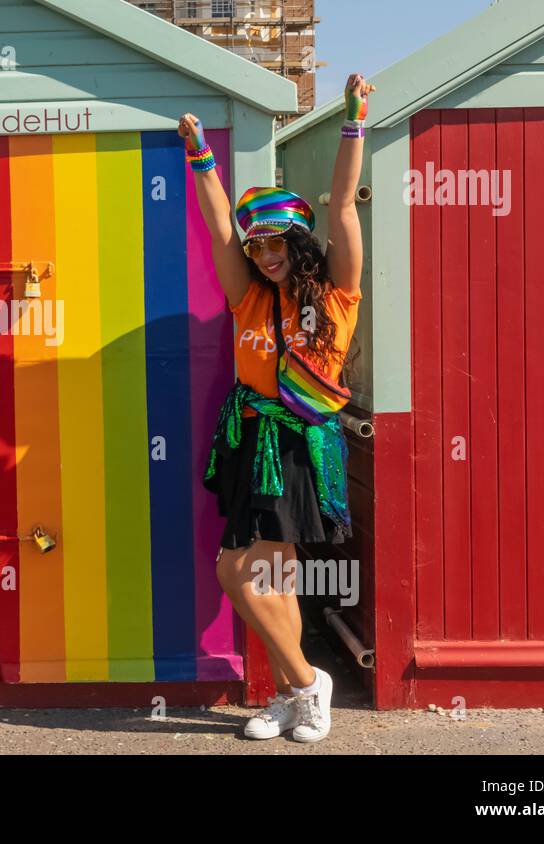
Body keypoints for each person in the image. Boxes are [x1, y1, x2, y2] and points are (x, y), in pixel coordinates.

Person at [180, 73, 371, 743]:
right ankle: (297, 696)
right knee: (273, 575)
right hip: (250, 438)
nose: (261, 256)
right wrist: (201, 157)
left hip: (299, 444)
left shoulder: (336, 295)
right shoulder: (249, 298)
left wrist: (353, 121)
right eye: (255, 245)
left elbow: (344, 204)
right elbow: (215, 225)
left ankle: (303, 683)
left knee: (238, 570)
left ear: (296, 243)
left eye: (272, 244)